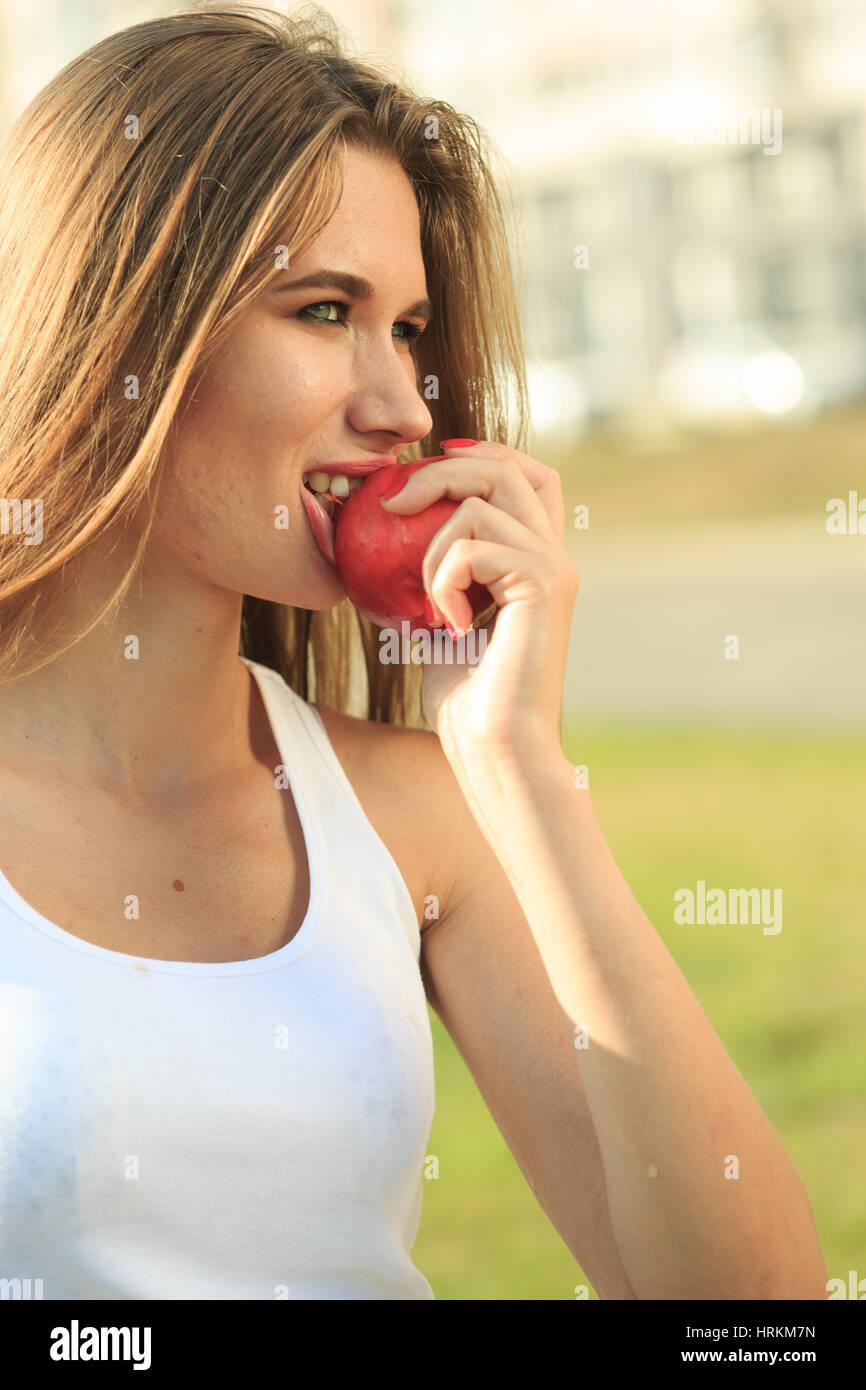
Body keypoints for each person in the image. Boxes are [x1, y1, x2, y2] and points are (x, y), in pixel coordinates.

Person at [0, 3, 827, 1300]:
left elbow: (748, 1324)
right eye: (326, 310)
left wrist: (519, 770)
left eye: (406, 329)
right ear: (119, 325)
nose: (400, 407)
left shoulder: (415, 817)